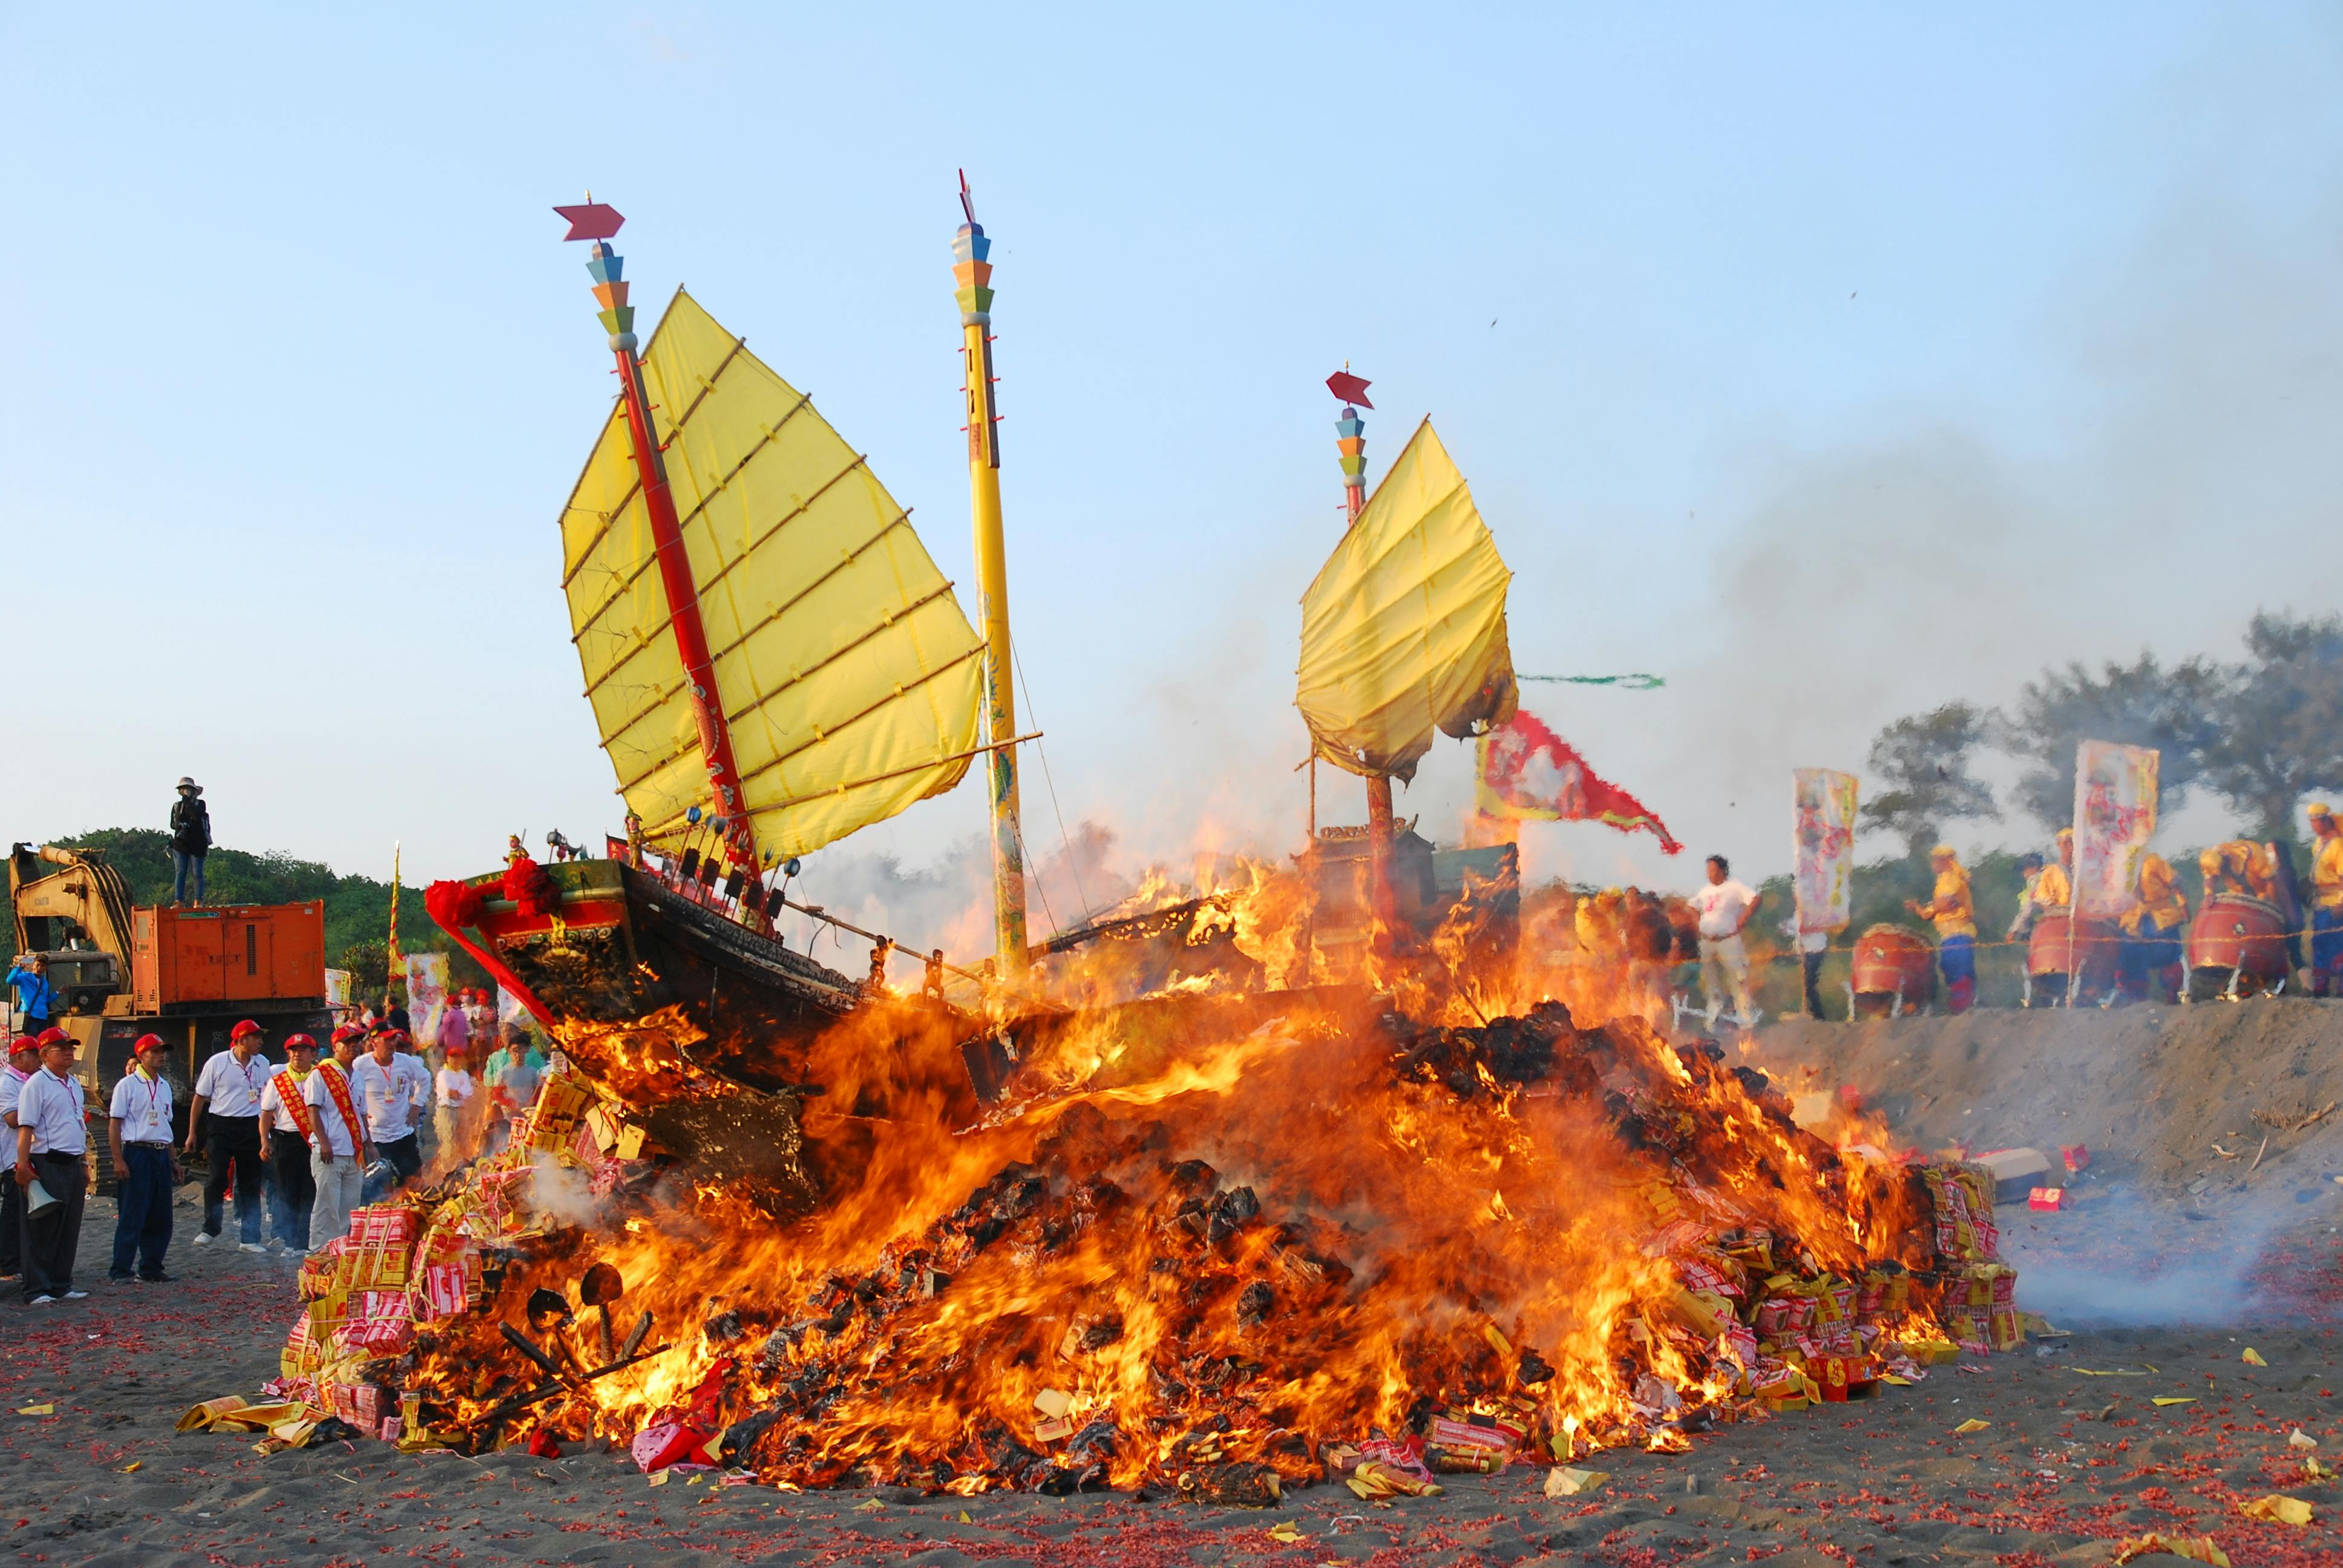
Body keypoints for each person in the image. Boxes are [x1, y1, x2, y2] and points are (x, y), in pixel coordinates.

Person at [14, 1029, 89, 1303]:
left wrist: (82, 1161)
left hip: (71, 1162)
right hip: (47, 1161)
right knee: (42, 1228)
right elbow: (26, 1128)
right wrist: (23, 1166)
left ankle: (60, 1282)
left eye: (70, 1047)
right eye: (61, 1048)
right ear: (44, 1055)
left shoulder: (73, 1084)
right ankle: (37, 1288)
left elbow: (77, 1125)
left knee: (69, 1226)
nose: (69, 1052)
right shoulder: (37, 1085)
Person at [185, 1019, 271, 1252]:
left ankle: (250, 1238)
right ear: (242, 1040)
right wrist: (193, 1132)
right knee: (217, 1178)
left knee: (250, 1182)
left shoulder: (262, 1063)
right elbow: (200, 1098)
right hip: (222, 1126)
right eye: (256, 1037)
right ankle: (210, 1228)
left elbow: (269, 1097)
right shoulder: (218, 1063)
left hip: (251, 1127)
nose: (261, 1042)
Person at [107, 1033, 179, 1284]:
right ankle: (121, 1269)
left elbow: (166, 1128)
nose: (161, 1056)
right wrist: (118, 1159)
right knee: (133, 1212)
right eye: (155, 1052)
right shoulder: (127, 1085)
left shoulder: (165, 1086)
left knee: (161, 1215)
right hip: (137, 1151)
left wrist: (174, 1159)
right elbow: (115, 1124)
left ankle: (151, 1268)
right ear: (141, 1055)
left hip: (160, 1152)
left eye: (163, 1052)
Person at [303, 1025, 370, 1250]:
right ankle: (319, 1250)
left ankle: (341, 1250)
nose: (354, 1046)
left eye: (357, 1041)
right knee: (326, 1206)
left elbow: (362, 1114)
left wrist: (369, 1144)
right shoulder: (321, 1074)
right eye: (348, 1042)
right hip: (330, 1150)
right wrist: (324, 1142)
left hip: (354, 1152)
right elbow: (312, 1110)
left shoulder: (358, 1076)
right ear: (335, 1047)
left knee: (350, 1206)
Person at [257, 1034, 321, 1253]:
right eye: (293, 1050)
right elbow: (266, 1115)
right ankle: (290, 1241)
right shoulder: (279, 1081)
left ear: (313, 1054)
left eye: (303, 1050)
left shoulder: (321, 1078)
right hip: (286, 1141)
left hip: (313, 1141)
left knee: (310, 1192)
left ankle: (304, 1241)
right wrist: (264, 1142)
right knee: (287, 1192)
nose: (297, 1054)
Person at [352, 1028, 426, 1201]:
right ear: (374, 1042)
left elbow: (425, 1078)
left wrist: (417, 1105)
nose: (392, 1044)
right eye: (387, 1040)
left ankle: (414, 1219)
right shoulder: (360, 1065)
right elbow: (351, 1091)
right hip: (377, 1140)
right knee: (381, 1191)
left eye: (394, 1039)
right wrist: (360, 1113)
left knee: (414, 1185)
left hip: (404, 1134)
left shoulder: (406, 1062)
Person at [1906, 846, 1979, 1014]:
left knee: (1959, 969)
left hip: (1959, 932)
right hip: (1949, 934)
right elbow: (1935, 909)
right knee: (1949, 967)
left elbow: (1944, 904)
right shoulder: (1943, 880)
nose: (1932, 864)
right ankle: (1960, 1004)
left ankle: (1965, 1005)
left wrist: (1928, 909)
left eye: (1935, 860)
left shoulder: (1951, 878)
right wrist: (1920, 909)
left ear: (1944, 861)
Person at [1689, 855, 1760, 1027]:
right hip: (1707, 941)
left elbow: (1756, 899)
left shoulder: (1734, 887)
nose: (1709, 874)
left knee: (1738, 978)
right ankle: (1714, 1020)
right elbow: (1692, 905)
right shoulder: (1705, 890)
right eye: (1708, 870)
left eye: (1713, 870)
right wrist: (1699, 923)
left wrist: (1742, 919)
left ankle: (1746, 1018)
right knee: (1711, 981)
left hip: (1728, 939)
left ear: (1722, 870)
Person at [2117, 852, 2189, 1004]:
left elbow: (2174, 884)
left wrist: (2183, 905)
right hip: (2133, 920)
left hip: (2162, 917)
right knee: (2130, 959)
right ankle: (2135, 1002)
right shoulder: (2118, 866)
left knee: (2169, 957)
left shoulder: (2153, 861)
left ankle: (2173, 997)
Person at [0, 1033, 41, 1282]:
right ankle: (8, 1263)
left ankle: (18, 1260)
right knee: (13, 1212)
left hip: (25, 1153)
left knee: (23, 1211)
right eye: (35, 1055)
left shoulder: (29, 1080)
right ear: (20, 1057)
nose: (39, 1059)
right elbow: (13, 1119)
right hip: (11, 1155)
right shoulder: (8, 1084)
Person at [2308, 803, 2343, 997]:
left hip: (2335, 903)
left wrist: (2341, 902)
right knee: (2319, 942)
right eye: (2311, 822)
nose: (2314, 826)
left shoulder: (2338, 845)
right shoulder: (2318, 844)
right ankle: (2321, 985)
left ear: (2326, 820)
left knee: (2338, 943)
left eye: (2317, 822)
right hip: (2321, 903)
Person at [168, 777, 212, 908]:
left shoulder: (201, 804)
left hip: (197, 844)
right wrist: (180, 826)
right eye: (183, 789)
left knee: (197, 873)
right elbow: (172, 824)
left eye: (187, 789)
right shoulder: (177, 806)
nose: (185, 791)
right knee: (181, 873)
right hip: (181, 843)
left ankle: (198, 900)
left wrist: (188, 802)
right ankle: (179, 901)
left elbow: (196, 816)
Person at [434, 1045, 478, 1163]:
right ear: (447, 1058)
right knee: (449, 1142)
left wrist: (460, 1092)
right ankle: (447, 1168)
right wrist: (460, 1092)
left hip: (461, 1110)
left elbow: (469, 1092)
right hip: (447, 1110)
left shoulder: (463, 1074)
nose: (455, 1060)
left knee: (463, 1141)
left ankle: (460, 1166)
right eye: (452, 1057)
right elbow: (451, 1093)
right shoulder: (443, 1074)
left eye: (457, 1057)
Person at [5, 955, 59, 1040]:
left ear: (46, 968)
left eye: (43, 966)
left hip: (42, 1018)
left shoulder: (45, 982)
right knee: (32, 1042)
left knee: (42, 1042)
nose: (39, 968)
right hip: (30, 1017)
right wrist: (19, 968)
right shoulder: (24, 977)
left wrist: (58, 993)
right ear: (33, 965)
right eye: (38, 965)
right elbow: (10, 980)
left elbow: (45, 1001)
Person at [2004, 852, 2048, 941]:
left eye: (2025, 869)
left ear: (2035, 867)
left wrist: (2014, 931)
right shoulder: (2047, 878)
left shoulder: (2037, 882)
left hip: (2041, 927)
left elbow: (2029, 909)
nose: (2023, 873)